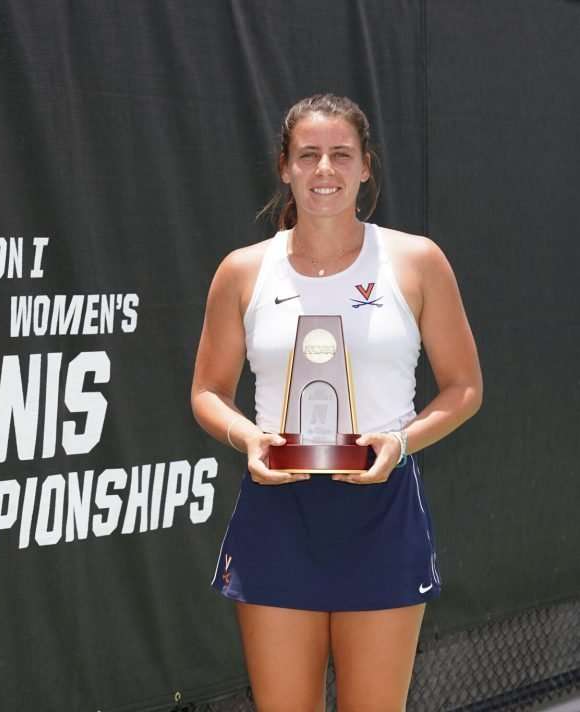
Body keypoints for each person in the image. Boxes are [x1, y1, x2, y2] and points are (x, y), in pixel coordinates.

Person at [190, 93, 482, 711]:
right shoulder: (242, 271)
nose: (324, 169)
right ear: (284, 166)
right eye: (308, 155)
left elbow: (464, 388)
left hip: (383, 510)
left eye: (341, 154)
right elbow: (207, 393)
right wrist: (250, 439)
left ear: (367, 166)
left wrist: (398, 442)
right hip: (277, 511)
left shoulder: (416, 261)